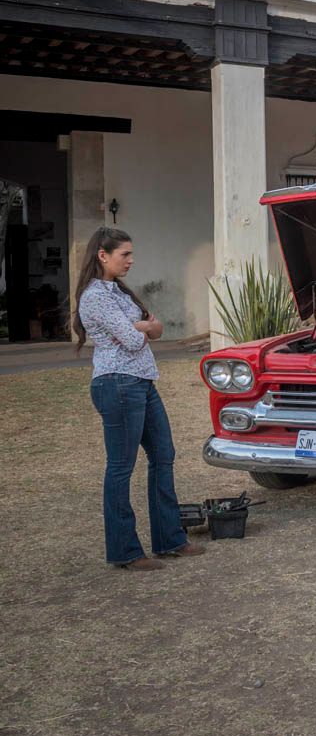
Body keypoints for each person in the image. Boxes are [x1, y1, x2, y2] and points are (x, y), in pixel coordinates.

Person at [73, 227, 204, 570]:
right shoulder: (95, 297)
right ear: (103, 255)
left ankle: (170, 539)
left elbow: (157, 330)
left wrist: (143, 329)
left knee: (164, 454)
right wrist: (143, 329)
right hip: (117, 384)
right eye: (124, 254)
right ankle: (125, 551)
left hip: (142, 381)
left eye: (131, 254)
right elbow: (135, 339)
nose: (131, 260)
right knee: (121, 466)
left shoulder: (119, 292)